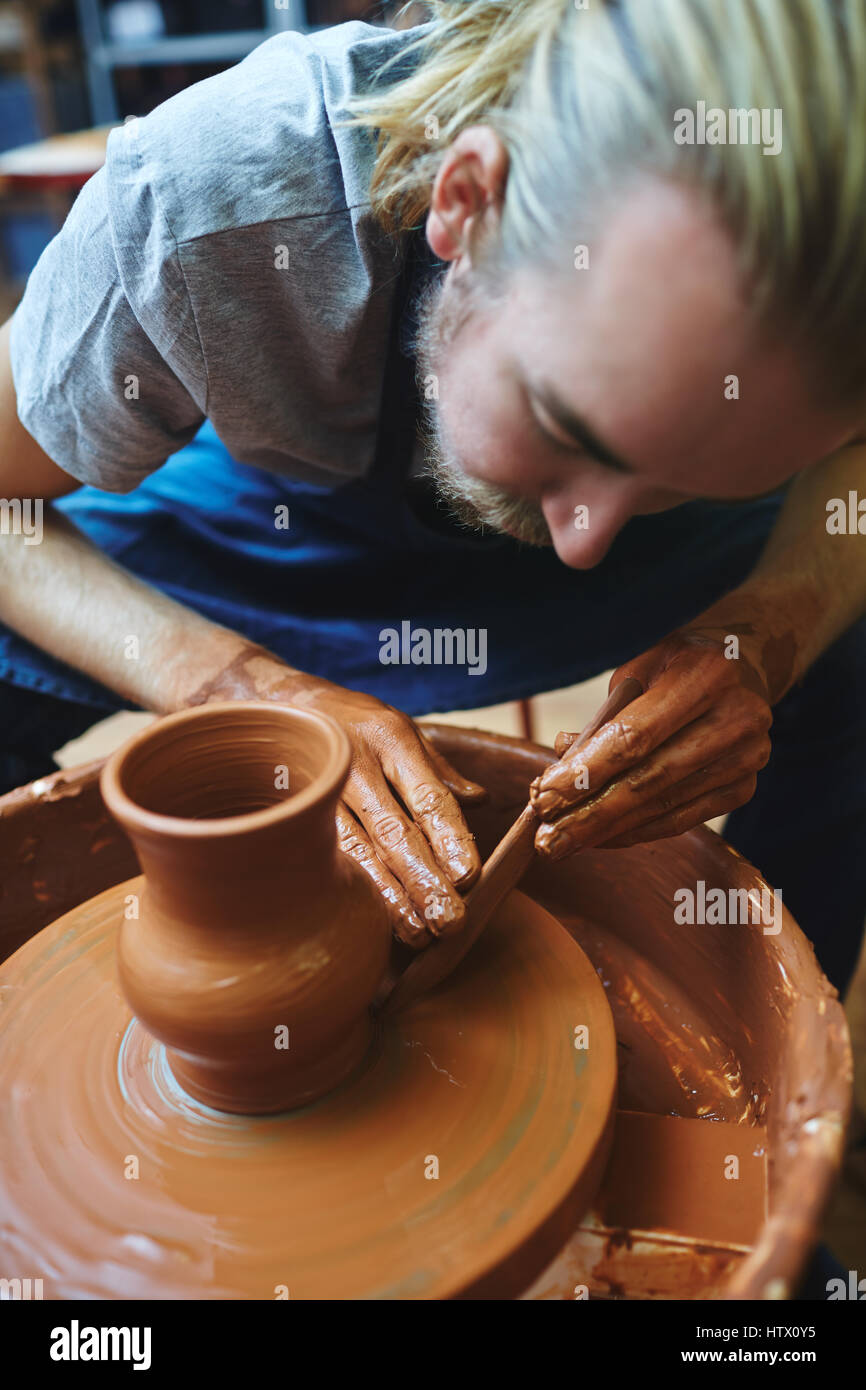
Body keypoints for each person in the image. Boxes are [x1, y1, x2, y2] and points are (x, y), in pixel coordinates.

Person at [0, 0, 864, 997]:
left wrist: (756, 641)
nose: (580, 540)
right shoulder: (213, 203)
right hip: (287, 518)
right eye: (565, 424)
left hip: (674, 563)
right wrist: (229, 682)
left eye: (684, 473)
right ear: (464, 200)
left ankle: (765, 1048)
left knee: (846, 651)